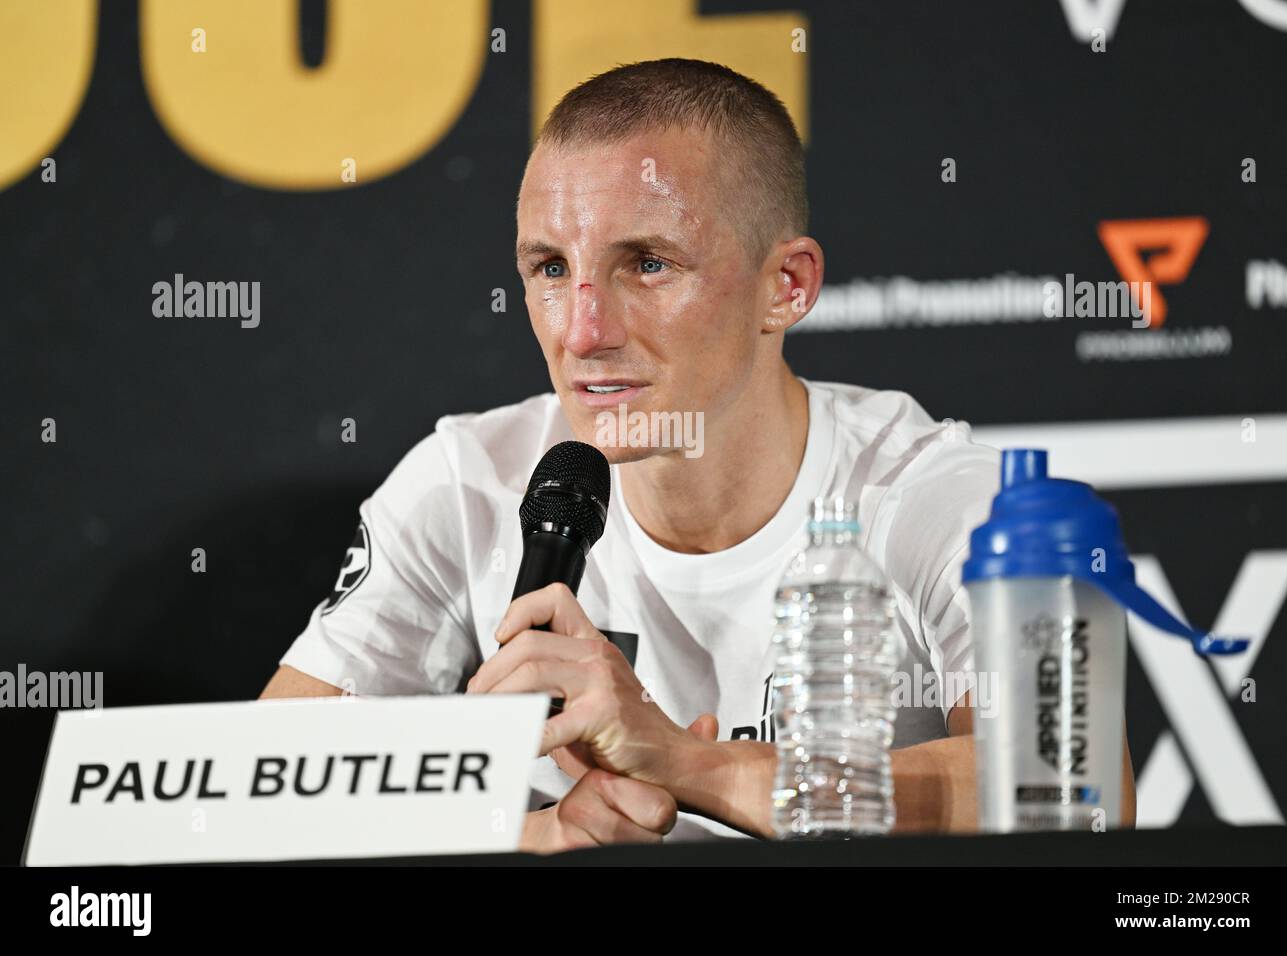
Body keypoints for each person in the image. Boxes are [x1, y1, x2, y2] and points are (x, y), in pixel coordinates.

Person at [260, 58, 1136, 851]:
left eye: (646, 263)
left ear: (784, 287)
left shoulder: (946, 499)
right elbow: (266, 787)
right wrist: (530, 834)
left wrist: (695, 768)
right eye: (551, 269)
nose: (583, 333)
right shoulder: (470, 481)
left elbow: (1076, 785)